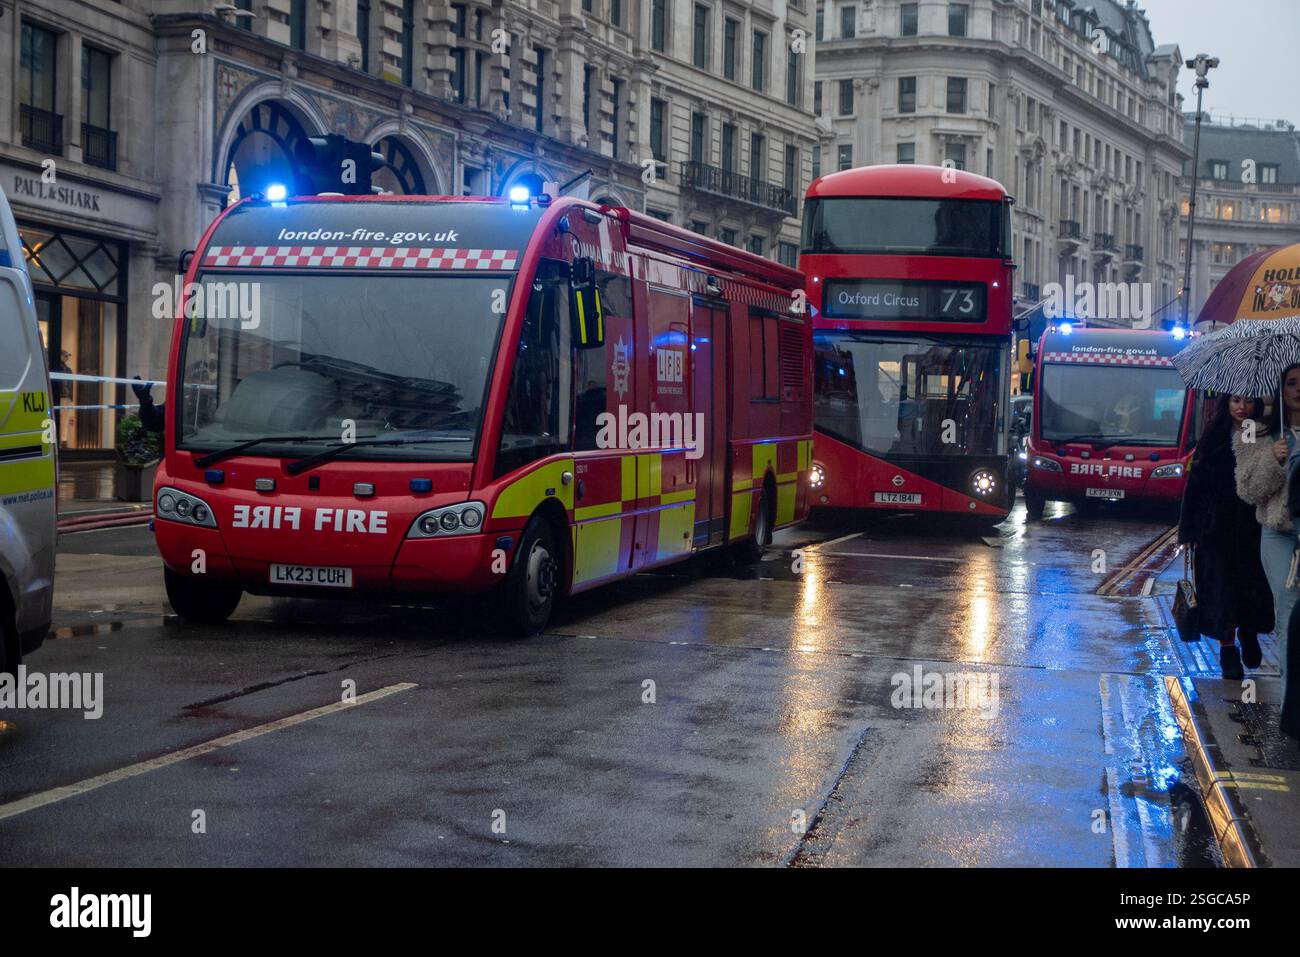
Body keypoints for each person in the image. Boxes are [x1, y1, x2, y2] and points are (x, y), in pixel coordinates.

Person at [1179, 396, 1274, 678]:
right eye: (1235, 401)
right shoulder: (1214, 436)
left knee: (1251, 587)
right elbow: (1195, 484)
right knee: (1221, 591)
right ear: (1227, 404)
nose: (1241, 407)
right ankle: (1227, 650)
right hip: (1215, 531)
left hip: (1253, 528)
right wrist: (1190, 529)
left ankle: (1248, 632)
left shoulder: (1265, 436)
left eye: (1247, 402)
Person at [1237, 365, 1300, 683]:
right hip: (1279, 534)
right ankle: (1292, 699)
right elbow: (1248, 491)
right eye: (1291, 383)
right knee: (1288, 611)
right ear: (1281, 390)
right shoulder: (1258, 435)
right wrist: (1273, 461)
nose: (1298, 389)